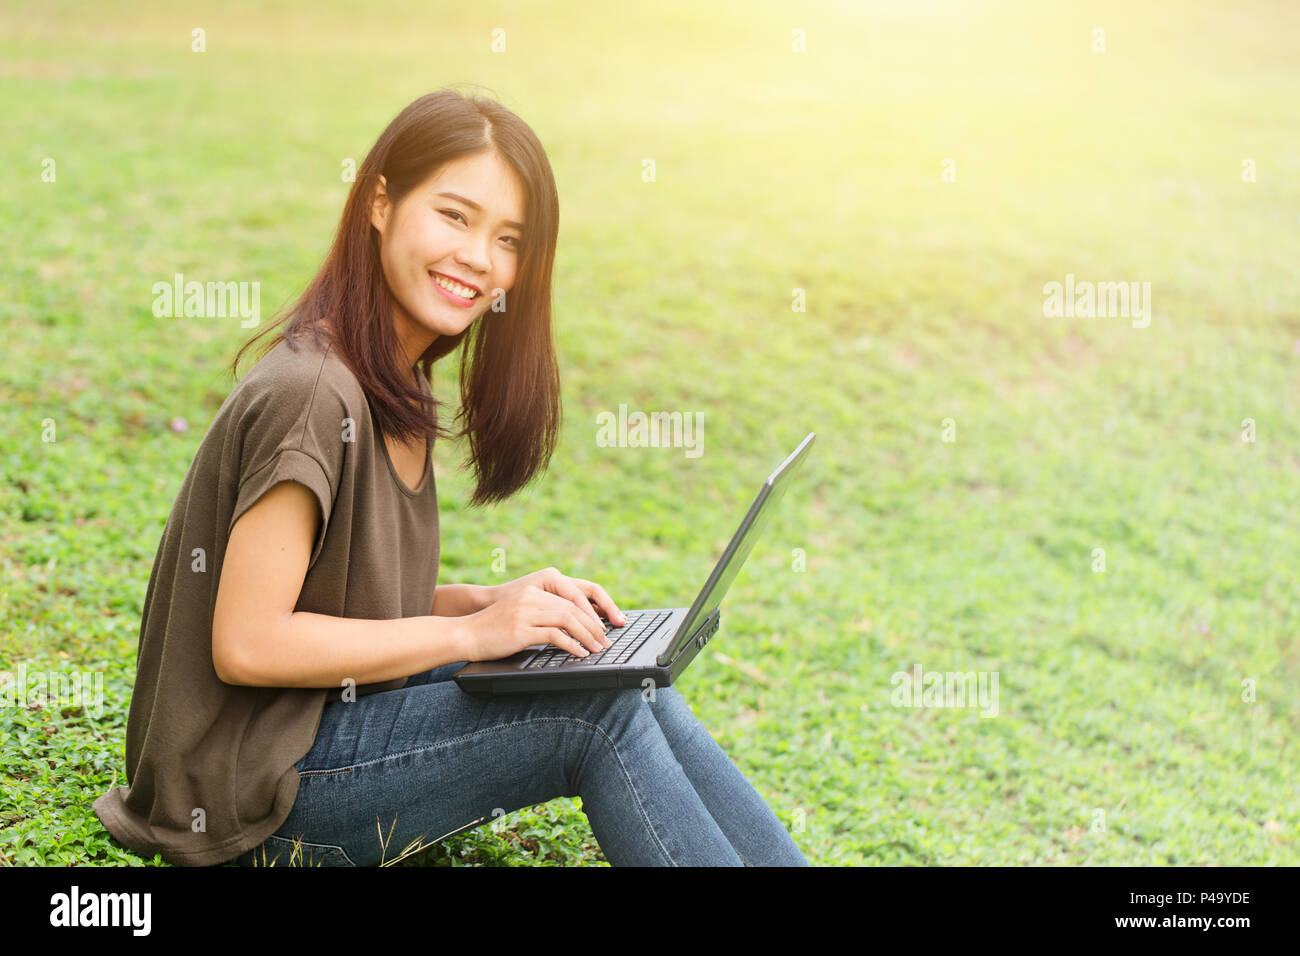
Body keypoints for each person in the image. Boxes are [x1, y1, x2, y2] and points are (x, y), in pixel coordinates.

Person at [93, 87, 809, 867]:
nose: (479, 257)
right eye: (455, 216)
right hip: (248, 791)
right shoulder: (311, 393)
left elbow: (344, 606)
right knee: (596, 714)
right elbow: (249, 641)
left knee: (626, 679)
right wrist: (470, 634)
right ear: (379, 204)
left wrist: (494, 602)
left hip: (319, 728)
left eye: (508, 238)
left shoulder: (390, 380)